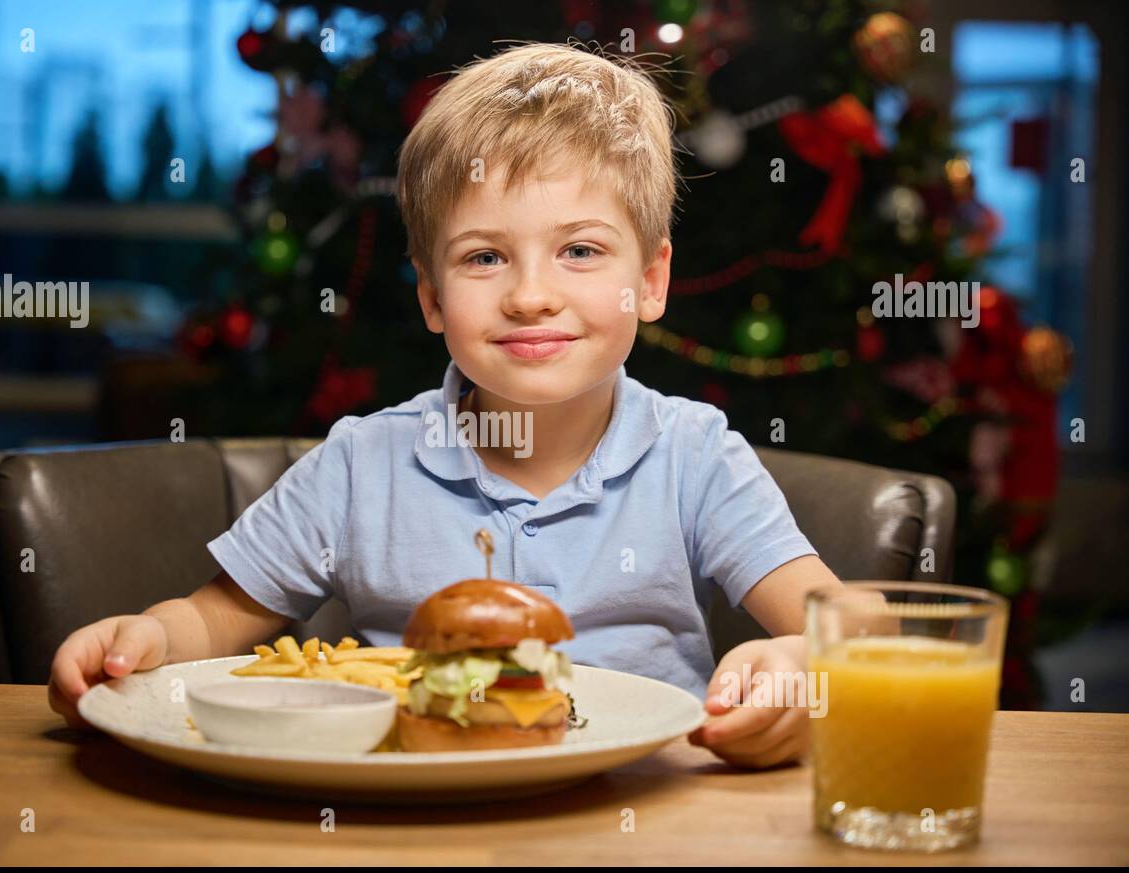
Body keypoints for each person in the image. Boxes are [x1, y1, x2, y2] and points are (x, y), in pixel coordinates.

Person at [49, 41, 842, 769]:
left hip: (644, 819)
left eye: (580, 251)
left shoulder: (695, 458)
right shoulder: (361, 464)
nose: (532, 296)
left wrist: (807, 665)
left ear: (653, 281)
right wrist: (146, 638)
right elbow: (214, 618)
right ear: (431, 296)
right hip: (404, 823)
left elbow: (846, 621)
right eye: (485, 257)